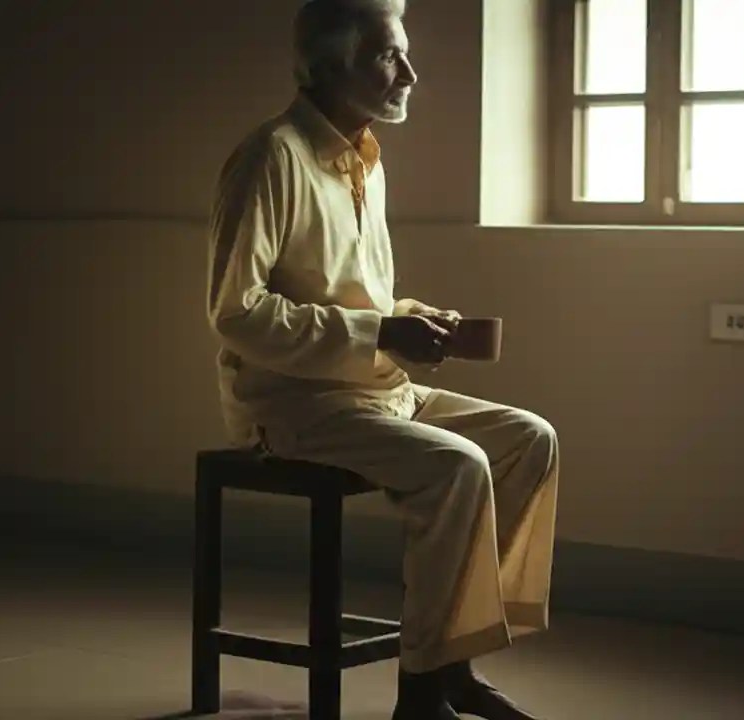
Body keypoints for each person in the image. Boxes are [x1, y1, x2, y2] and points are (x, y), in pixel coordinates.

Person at [204, 1, 560, 718]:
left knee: (530, 440)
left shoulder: (365, 159)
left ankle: (454, 660)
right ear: (331, 64)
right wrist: (378, 335)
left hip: (373, 390)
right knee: (458, 467)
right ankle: (421, 695)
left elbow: (350, 294)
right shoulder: (271, 157)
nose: (410, 74)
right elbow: (237, 313)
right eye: (389, 58)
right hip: (293, 405)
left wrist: (405, 318)